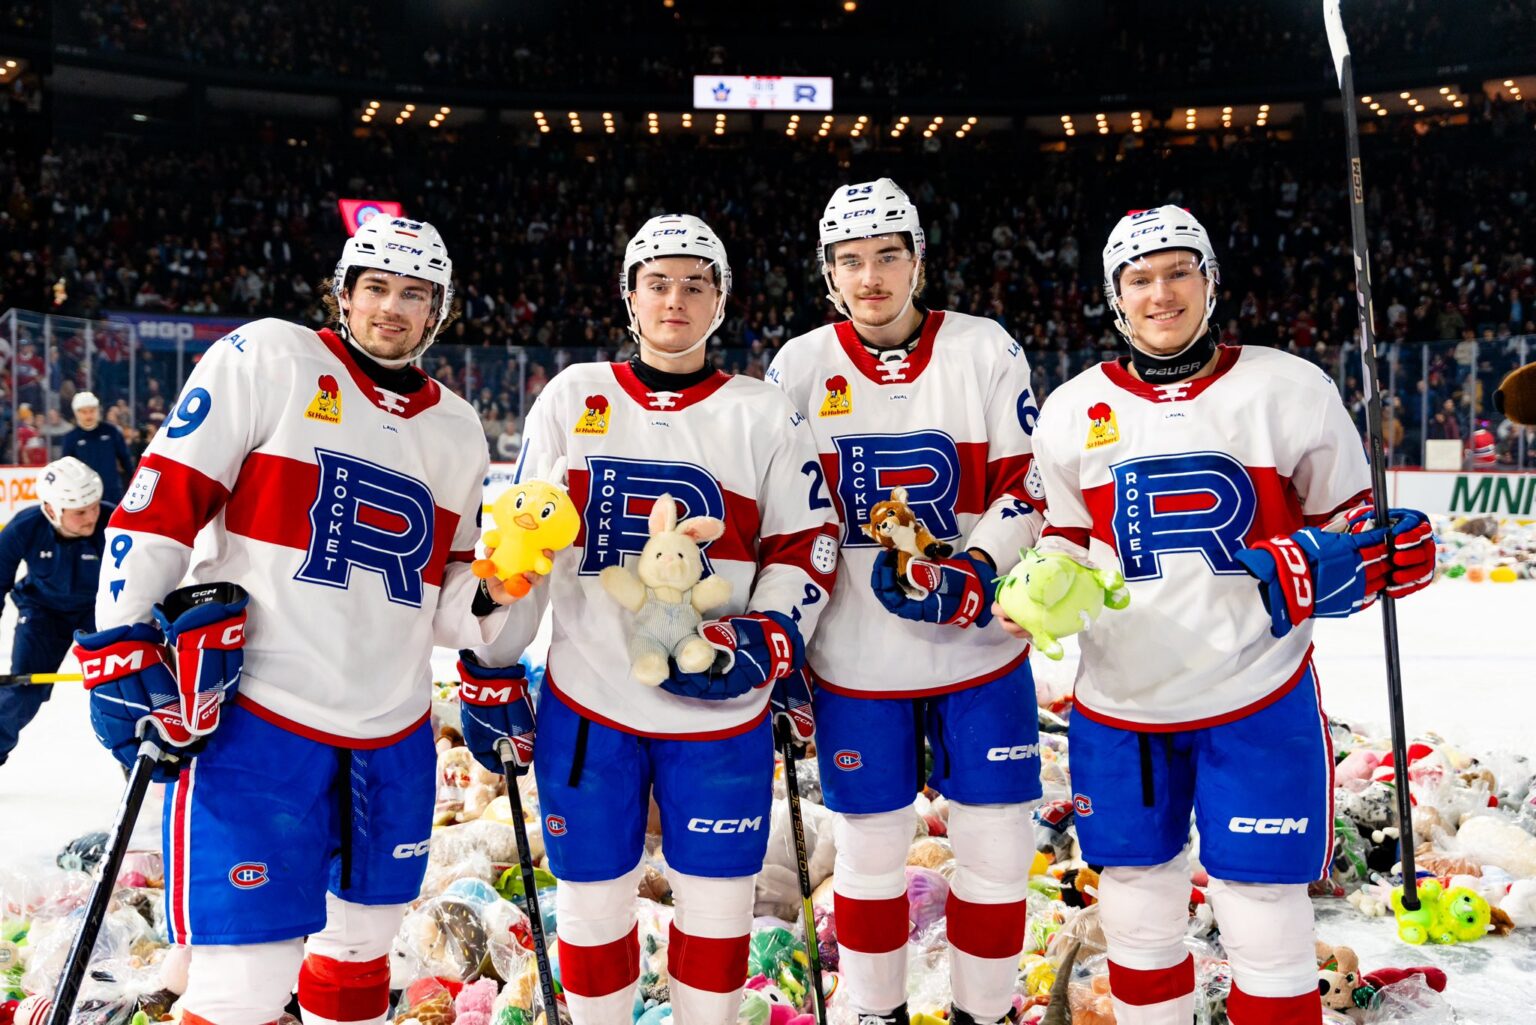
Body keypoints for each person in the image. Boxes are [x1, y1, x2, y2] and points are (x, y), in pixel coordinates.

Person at [72, 216, 520, 1025]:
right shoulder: (271, 356)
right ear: (343, 294)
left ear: (438, 312)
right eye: (375, 287)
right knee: (241, 980)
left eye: (414, 294)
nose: (392, 307)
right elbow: (164, 501)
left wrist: (509, 583)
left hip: (393, 728)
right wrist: (122, 636)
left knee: (359, 959)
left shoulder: (456, 426)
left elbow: (447, 598)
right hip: (263, 720)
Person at [1011, 206, 1436, 1025]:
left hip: (1257, 692)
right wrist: (1045, 580)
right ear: (1115, 296)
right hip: (1121, 701)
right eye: (1140, 279)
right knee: (1136, 911)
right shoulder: (1071, 408)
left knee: (1264, 911)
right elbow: (1062, 535)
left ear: (1211, 281)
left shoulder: (1289, 387)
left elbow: (1363, 530)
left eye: (1179, 271)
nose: (1160, 293)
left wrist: (1368, 552)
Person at [462, 213, 838, 1025]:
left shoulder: (762, 412)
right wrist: (490, 661)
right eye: (658, 282)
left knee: (718, 909)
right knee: (593, 907)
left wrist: (773, 638)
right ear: (629, 296)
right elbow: (522, 545)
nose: (676, 299)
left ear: (721, 299)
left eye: (696, 284)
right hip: (592, 704)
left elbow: (810, 543)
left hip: (719, 712)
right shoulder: (573, 396)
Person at [765, 179, 1046, 1025]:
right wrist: (782, 634)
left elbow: (1026, 483)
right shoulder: (799, 366)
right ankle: (873, 1012)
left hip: (979, 651)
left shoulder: (984, 349)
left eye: (889, 254)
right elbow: (785, 517)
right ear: (829, 274)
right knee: (868, 857)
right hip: (854, 657)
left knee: (996, 851)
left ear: (919, 260)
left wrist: (976, 565)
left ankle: (984, 1015)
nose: (872, 276)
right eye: (851, 260)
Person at [0, 458, 112, 767]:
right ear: (51, 510)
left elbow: (144, 578)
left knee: (119, 686)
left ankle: (139, 758)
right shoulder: (25, 527)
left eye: (93, 506)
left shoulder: (114, 524)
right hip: (42, 612)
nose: (92, 516)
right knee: (22, 689)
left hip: (99, 610)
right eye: (80, 512)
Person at [62, 390, 134, 504]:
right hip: (85, 494)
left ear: (97, 410)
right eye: (84, 412)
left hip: (112, 492)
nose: (88, 415)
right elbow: (66, 469)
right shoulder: (71, 438)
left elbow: (126, 460)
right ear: (76, 413)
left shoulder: (111, 432)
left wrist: (133, 483)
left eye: (92, 410)